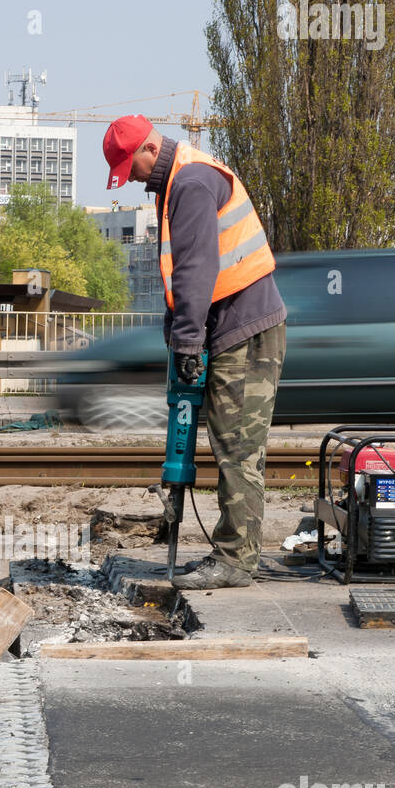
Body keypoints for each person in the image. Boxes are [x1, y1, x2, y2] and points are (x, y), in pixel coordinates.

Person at [103, 116, 287, 589]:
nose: (134, 180)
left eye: (131, 168)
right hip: (231, 327)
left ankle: (235, 560)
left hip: (244, 331)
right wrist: (179, 331)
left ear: (147, 148)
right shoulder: (179, 180)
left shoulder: (192, 183)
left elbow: (197, 269)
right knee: (232, 445)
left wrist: (188, 341)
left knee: (237, 448)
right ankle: (231, 550)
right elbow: (180, 274)